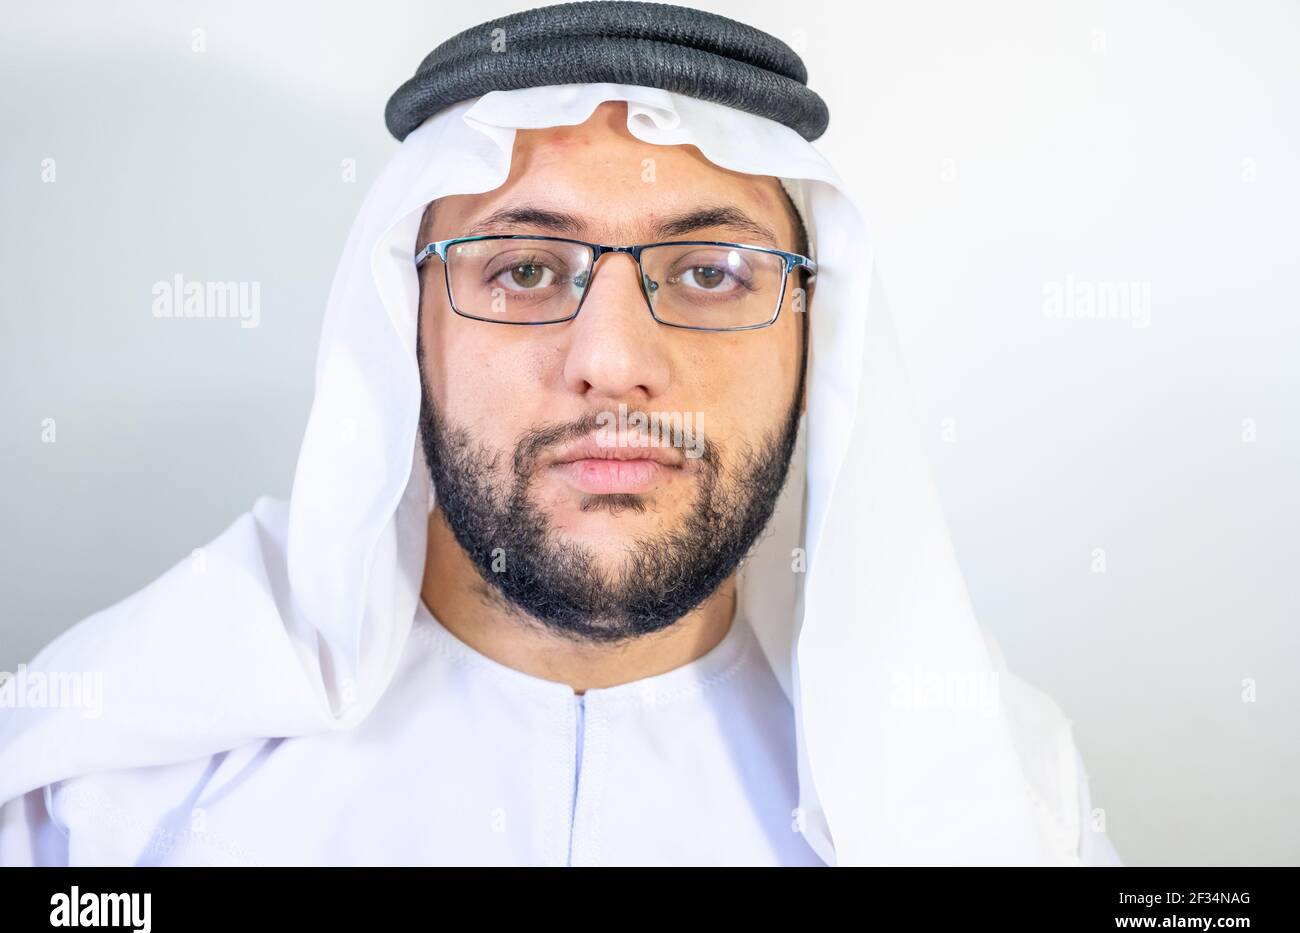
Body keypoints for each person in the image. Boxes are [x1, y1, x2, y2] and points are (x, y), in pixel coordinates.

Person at [0, 1, 1120, 866]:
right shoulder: (108, 793)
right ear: (409, 331)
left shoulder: (994, 800)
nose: (614, 358)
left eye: (709, 271)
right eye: (526, 268)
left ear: (810, 340)